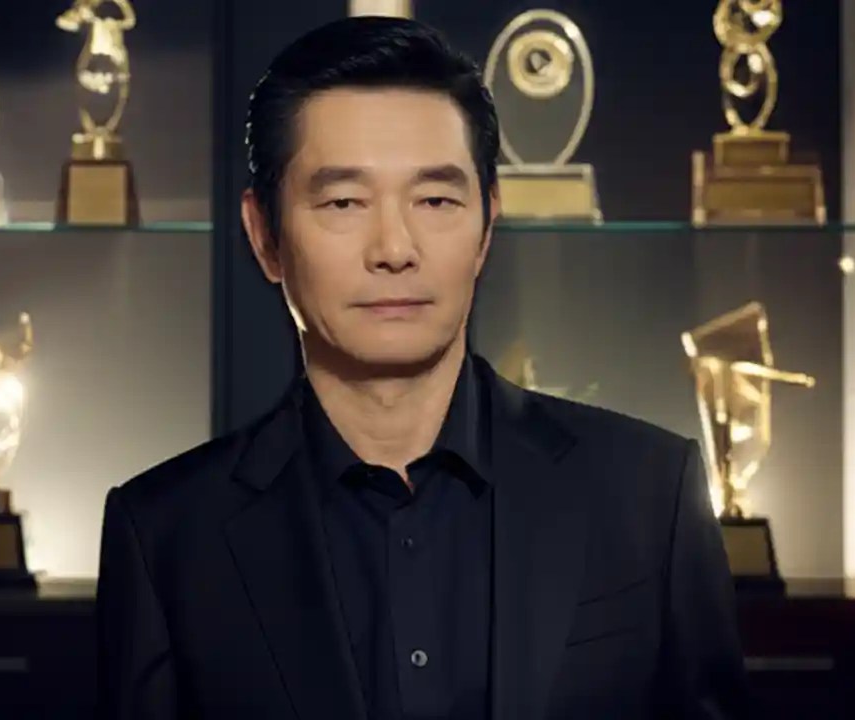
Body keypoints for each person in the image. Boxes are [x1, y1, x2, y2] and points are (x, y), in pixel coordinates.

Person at [97, 16, 750, 720]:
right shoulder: (167, 535)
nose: (395, 248)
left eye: (436, 200)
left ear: (486, 227)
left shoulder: (649, 493)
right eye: (344, 202)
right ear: (265, 238)